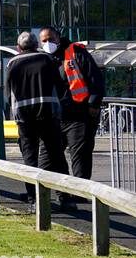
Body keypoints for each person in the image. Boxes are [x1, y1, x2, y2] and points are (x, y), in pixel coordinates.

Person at [7, 31, 69, 207]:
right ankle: (64, 196)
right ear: (36, 45)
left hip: (24, 118)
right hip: (48, 113)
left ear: (19, 48)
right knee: (57, 155)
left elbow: (8, 93)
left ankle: (35, 199)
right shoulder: (47, 60)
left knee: (30, 158)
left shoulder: (12, 63)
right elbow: (60, 85)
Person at [40, 27, 105, 194]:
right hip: (54, 117)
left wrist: (93, 104)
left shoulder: (76, 53)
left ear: (58, 38)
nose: (48, 43)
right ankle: (47, 193)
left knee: (80, 156)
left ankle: (79, 194)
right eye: (44, 41)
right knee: (47, 157)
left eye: (51, 39)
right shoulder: (45, 59)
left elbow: (96, 80)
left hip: (78, 114)